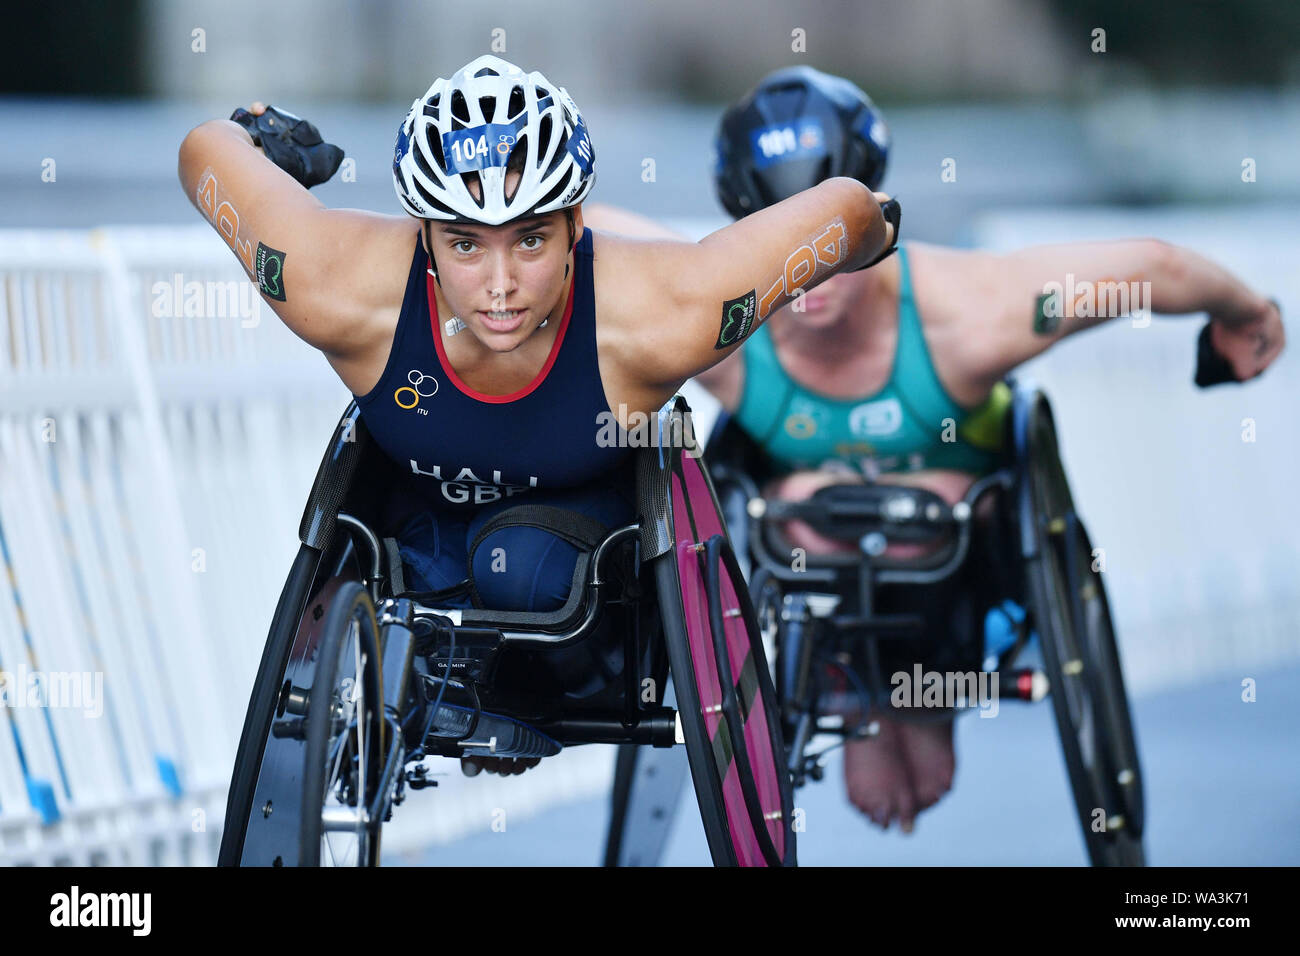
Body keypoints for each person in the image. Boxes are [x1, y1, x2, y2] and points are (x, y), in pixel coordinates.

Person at [586, 65, 1285, 831]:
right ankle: (857, 692)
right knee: (788, 507)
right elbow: (578, 227)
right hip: (808, 559)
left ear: (872, 206)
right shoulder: (716, 304)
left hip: (954, 554)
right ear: (743, 231)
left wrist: (1245, 313)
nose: (810, 271)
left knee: (933, 512)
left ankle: (918, 701)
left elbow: (1154, 268)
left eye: (827, 233)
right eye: (780, 235)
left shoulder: (968, 310)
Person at [178, 55, 897, 776]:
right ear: (422, 235)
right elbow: (205, 151)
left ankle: (511, 691)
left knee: (516, 565)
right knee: (430, 565)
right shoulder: (334, 283)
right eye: (464, 243)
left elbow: (848, 208)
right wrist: (263, 140)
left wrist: (876, 242)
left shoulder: (663, 311)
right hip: (415, 528)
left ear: (575, 225)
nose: (499, 289)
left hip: (582, 558)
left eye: (530, 239)